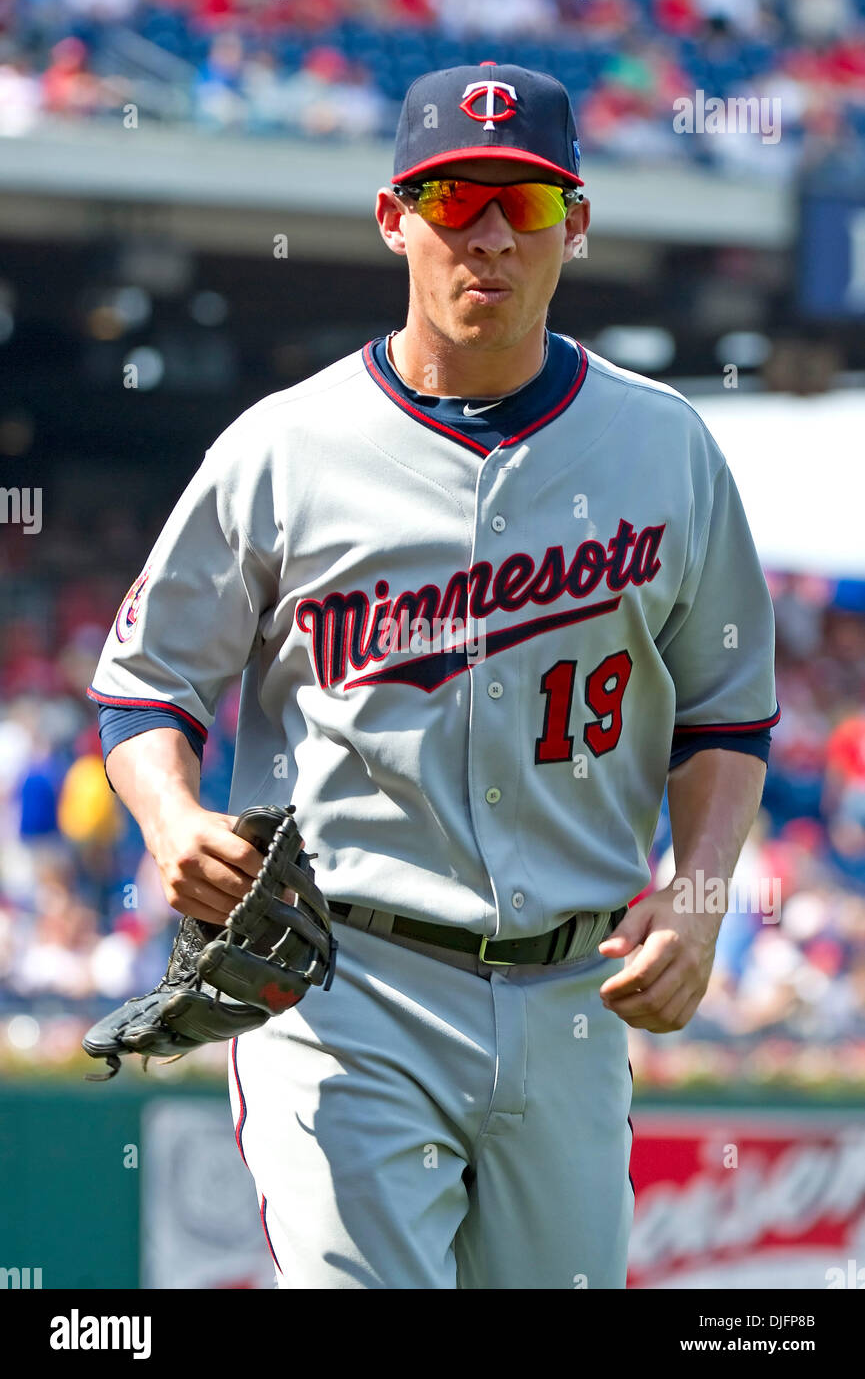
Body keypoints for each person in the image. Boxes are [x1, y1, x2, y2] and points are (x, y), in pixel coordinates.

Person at [88, 62, 779, 1289]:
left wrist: (703, 889)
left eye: (524, 201)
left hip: (574, 990)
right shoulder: (285, 445)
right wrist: (167, 815)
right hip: (345, 983)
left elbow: (725, 711)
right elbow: (145, 683)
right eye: (455, 197)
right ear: (393, 215)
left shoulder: (664, 444)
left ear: (574, 223)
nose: (489, 236)